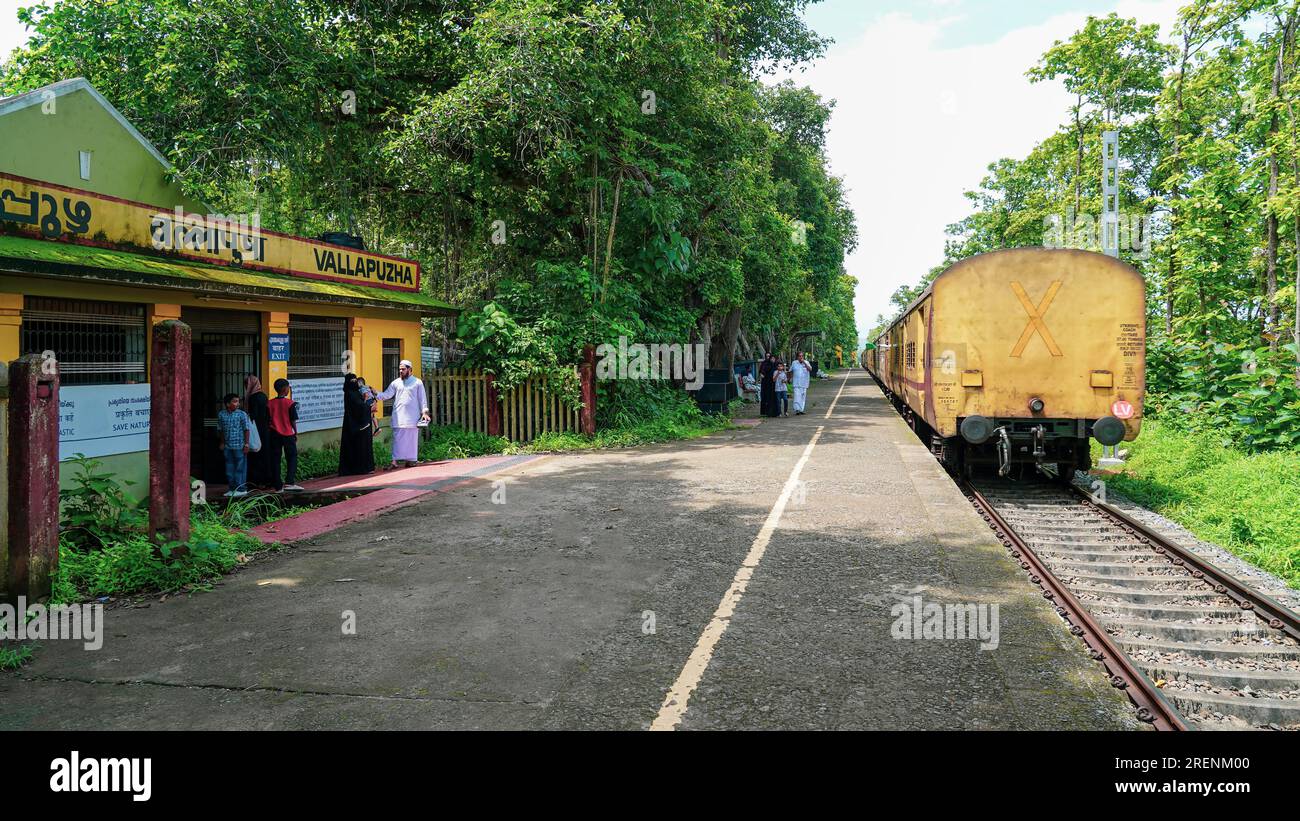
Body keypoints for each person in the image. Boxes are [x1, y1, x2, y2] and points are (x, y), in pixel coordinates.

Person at [374, 359, 429, 469]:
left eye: (403, 369)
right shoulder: (396, 383)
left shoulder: (418, 382)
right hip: (398, 416)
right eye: (399, 369)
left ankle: (411, 460)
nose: (400, 371)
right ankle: (394, 461)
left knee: (412, 439)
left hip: (412, 417)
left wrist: (424, 412)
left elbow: (422, 399)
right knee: (397, 440)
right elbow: (387, 395)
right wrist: (375, 393)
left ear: (410, 369)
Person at [266, 379, 304, 492]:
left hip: (274, 434)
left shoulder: (269, 403)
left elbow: (267, 419)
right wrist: (295, 432)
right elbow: (293, 420)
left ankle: (278, 485)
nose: (289, 389)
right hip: (287, 434)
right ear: (284, 389)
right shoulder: (290, 403)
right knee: (292, 457)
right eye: (288, 387)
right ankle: (289, 482)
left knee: (275, 459)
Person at [339, 373, 376, 476]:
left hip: (362, 423)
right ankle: (360, 468)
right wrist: (369, 408)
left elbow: (362, 403)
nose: (354, 382)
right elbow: (358, 407)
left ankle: (366, 467)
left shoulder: (356, 392)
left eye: (355, 380)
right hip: (355, 425)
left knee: (364, 446)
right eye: (352, 381)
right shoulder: (350, 393)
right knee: (358, 446)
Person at [216, 393, 251, 497]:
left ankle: (241, 488)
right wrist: (222, 442)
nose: (238, 404)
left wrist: (246, 444)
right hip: (228, 446)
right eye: (235, 401)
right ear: (227, 404)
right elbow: (220, 429)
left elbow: (246, 430)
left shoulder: (242, 414)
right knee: (229, 468)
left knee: (240, 467)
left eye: (238, 401)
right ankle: (232, 488)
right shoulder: (222, 414)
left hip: (239, 445)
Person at [243, 375, 271, 489]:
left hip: (255, 431)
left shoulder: (253, 398)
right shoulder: (263, 396)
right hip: (264, 429)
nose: (245, 386)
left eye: (246, 383)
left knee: (256, 456)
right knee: (265, 455)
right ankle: (266, 480)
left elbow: (253, 415)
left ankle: (256, 481)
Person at [759, 353, 779, 418]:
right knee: (767, 398)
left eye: (774, 358)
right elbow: (762, 372)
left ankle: (775, 412)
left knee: (774, 399)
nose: (772, 360)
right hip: (767, 384)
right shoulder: (766, 364)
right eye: (771, 358)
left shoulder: (776, 365)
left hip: (775, 385)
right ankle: (767, 412)